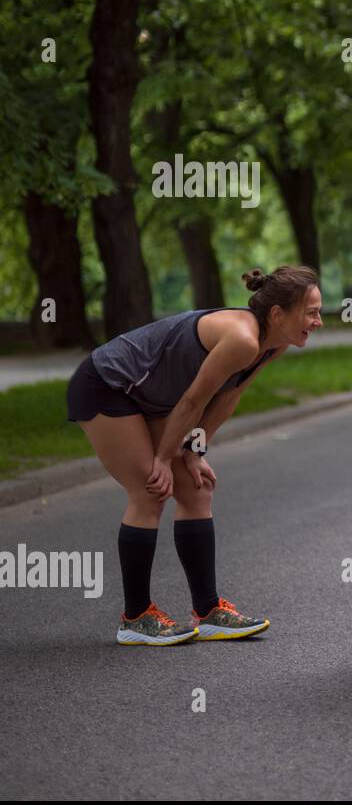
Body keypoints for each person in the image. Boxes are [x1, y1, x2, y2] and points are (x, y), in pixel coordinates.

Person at [66, 266, 322, 645]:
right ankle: (135, 617)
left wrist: (193, 452)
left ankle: (208, 611)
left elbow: (227, 396)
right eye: (311, 312)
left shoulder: (273, 343)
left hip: (147, 399)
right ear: (277, 314)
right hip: (107, 386)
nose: (319, 321)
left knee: (197, 489)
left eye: (320, 311)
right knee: (151, 489)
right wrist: (165, 457)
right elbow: (193, 400)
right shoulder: (243, 339)